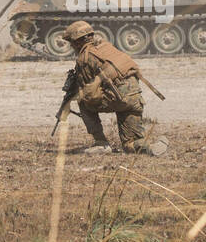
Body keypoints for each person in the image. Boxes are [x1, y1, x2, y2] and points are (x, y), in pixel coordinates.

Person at [61, 20, 167, 155]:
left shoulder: (84, 58)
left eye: (71, 43)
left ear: (77, 42)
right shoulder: (107, 47)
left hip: (118, 99)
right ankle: (151, 148)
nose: (72, 47)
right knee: (130, 144)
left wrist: (74, 94)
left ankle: (101, 143)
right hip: (135, 99)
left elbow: (89, 93)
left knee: (82, 100)